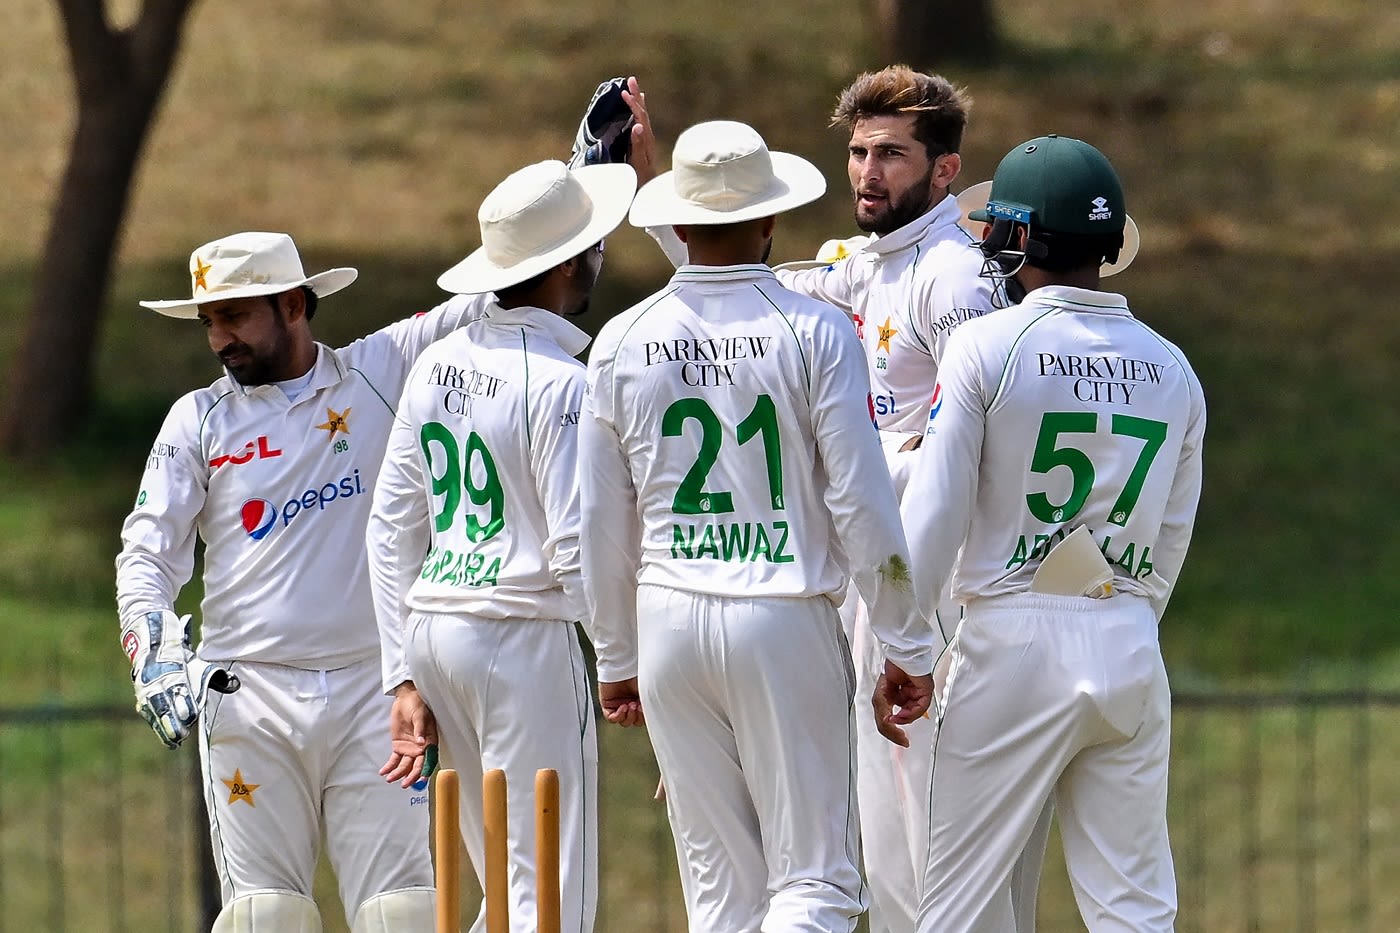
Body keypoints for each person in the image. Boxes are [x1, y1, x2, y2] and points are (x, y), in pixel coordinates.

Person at [578, 119, 936, 933]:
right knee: (816, 885)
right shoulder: (813, 330)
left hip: (668, 617)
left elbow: (599, 520)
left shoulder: (621, 341)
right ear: (771, 220)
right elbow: (860, 498)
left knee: (721, 898)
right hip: (783, 611)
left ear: (680, 221)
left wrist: (616, 654)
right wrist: (906, 644)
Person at [115, 230, 494, 932]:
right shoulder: (197, 420)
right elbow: (146, 552)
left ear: (293, 302)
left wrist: (591, 166)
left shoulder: (380, 369)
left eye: (234, 316)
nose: (218, 339)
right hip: (248, 692)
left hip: (376, 693)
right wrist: (151, 647)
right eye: (208, 321)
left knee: (403, 912)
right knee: (266, 916)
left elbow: (504, 284)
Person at [769, 65, 1052, 933]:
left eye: (890, 153)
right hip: (882, 575)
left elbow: (990, 438)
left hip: (937, 584)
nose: (866, 172)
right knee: (888, 831)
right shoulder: (868, 262)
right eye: (858, 151)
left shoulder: (955, 275)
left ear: (944, 172)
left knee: (932, 823)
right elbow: (740, 297)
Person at [902, 135, 1205, 932]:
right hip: (1131, 636)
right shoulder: (1174, 368)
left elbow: (932, 514)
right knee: (1135, 910)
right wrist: (1124, 623)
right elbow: (1170, 536)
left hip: (1012, 639)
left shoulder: (985, 346)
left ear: (1022, 239)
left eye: (995, 229)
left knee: (958, 910)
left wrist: (905, 646)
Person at [366, 158, 637, 933]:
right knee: (551, 889)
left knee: (508, 890)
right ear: (565, 266)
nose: (596, 261)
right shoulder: (561, 382)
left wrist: (401, 675)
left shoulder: (435, 364)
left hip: (437, 632)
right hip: (520, 639)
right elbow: (575, 546)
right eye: (590, 248)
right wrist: (621, 660)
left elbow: (391, 528)